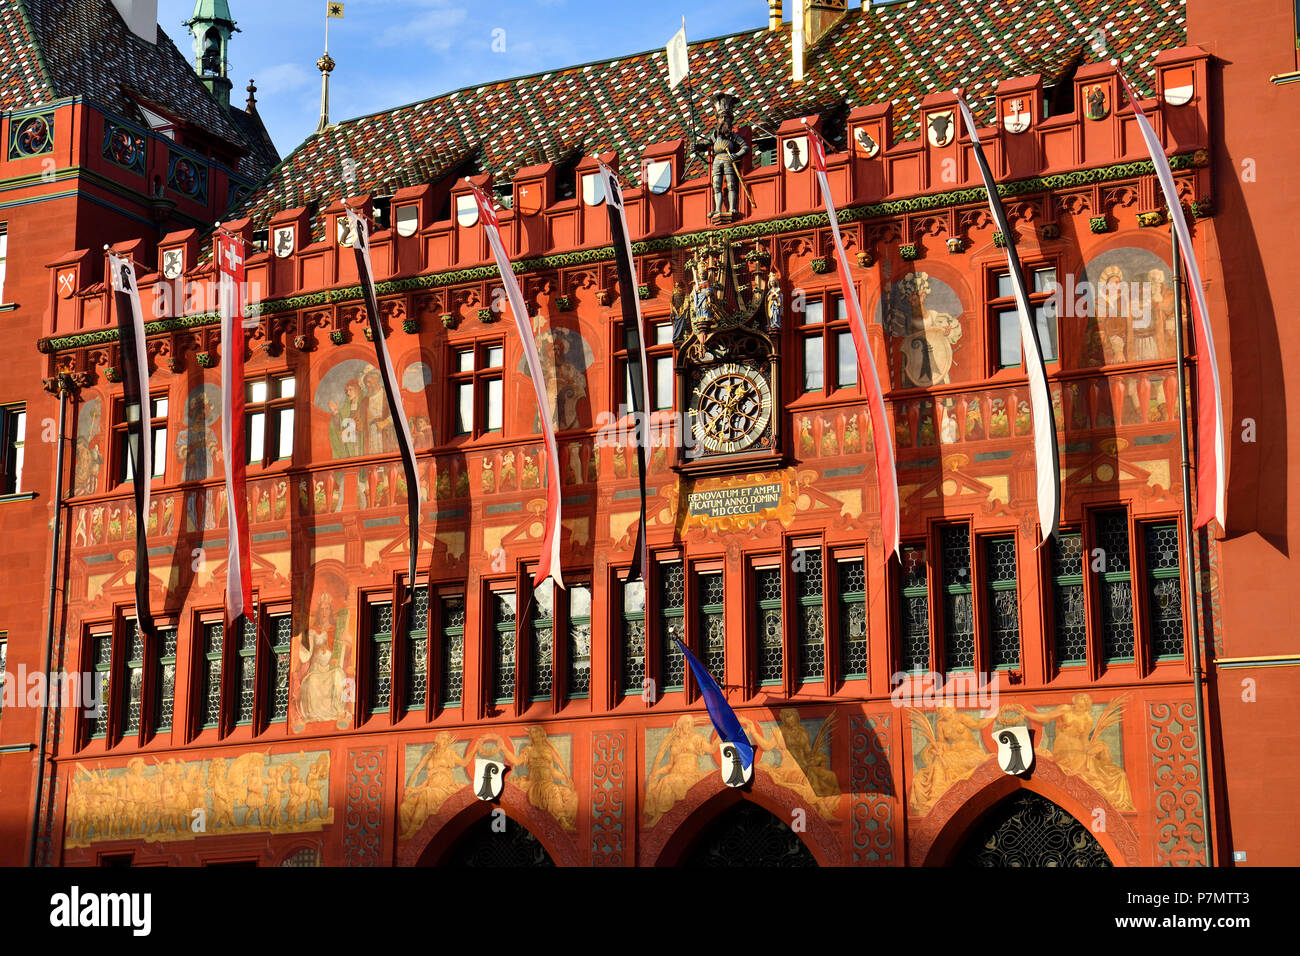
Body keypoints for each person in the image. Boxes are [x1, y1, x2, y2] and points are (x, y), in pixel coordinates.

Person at [694, 92, 749, 222]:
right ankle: (718, 209)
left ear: (730, 120)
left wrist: (736, 155)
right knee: (716, 185)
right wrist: (697, 147)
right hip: (717, 161)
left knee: (731, 184)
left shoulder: (733, 137)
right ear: (717, 119)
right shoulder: (714, 136)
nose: (723, 120)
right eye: (721, 118)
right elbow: (705, 145)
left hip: (728, 160)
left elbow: (745, 147)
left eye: (726, 118)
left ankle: (732, 208)